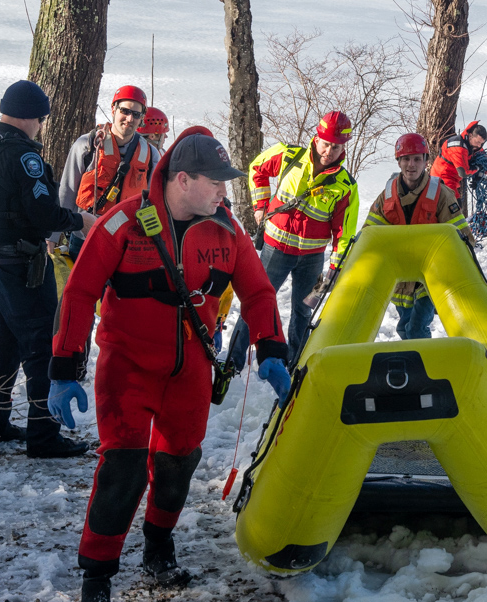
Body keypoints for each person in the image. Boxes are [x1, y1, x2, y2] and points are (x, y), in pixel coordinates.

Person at [47, 128, 291, 602]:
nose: (225, 191)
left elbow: (259, 292)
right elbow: (78, 294)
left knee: (179, 462)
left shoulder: (227, 230)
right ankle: (97, 574)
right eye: (216, 181)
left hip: (190, 370)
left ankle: (158, 545)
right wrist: (63, 368)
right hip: (128, 368)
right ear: (183, 179)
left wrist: (271, 351)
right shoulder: (122, 224)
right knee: (124, 467)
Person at [0, 80, 95, 458]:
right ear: (30, 117)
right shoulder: (25, 158)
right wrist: (79, 220)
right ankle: (44, 436)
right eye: (41, 118)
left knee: (0, 342)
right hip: (22, 264)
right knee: (41, 347)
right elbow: (43, 217)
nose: (42, 125)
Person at [227, 111, 360, 370]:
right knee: (255, 303)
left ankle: (296, 363)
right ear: (316, 137)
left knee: (303, 311)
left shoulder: (345, 186)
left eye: (336, 146)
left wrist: (335, 268)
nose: (329, 151)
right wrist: (260, 207)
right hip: (275, 250)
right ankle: (233, 360)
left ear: (343, 147)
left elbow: (343, 232)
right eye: (325, 143)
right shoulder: (290, 155)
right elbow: (257, 168)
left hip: (312, 260)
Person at [363, 133, 475, 339]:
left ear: (425, 161)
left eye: (417, 159)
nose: (411, 165)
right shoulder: (387, 194)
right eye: (405, 159)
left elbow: (463, 237)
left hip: (429, 278)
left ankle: (422, 368)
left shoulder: (441, 194)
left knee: (416, 329)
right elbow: (369, 233)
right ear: (398, 161)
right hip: (399, 278)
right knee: (404, 327)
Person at [47, 85, 158, 256]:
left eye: (136, 114)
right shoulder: (87, 146)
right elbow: (67, 191)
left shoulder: (150, 155)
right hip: (85, 240)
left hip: (126, 244)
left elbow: (152, 201)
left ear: (141, 118)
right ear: (113, 109)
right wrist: (52, 237)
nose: (129, 118)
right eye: (125, 111)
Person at [430, 120, 487, 216]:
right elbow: (463, 172)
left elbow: (483, 159)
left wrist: (479, 176)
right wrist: (477, 168)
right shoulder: (458, 147)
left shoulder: (474, 146)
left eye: (481, 143)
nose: (479, 146)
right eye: (478, 142)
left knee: (456, 208)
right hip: (441, 179)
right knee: (454, 208)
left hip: (452, 180)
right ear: (470, 136)